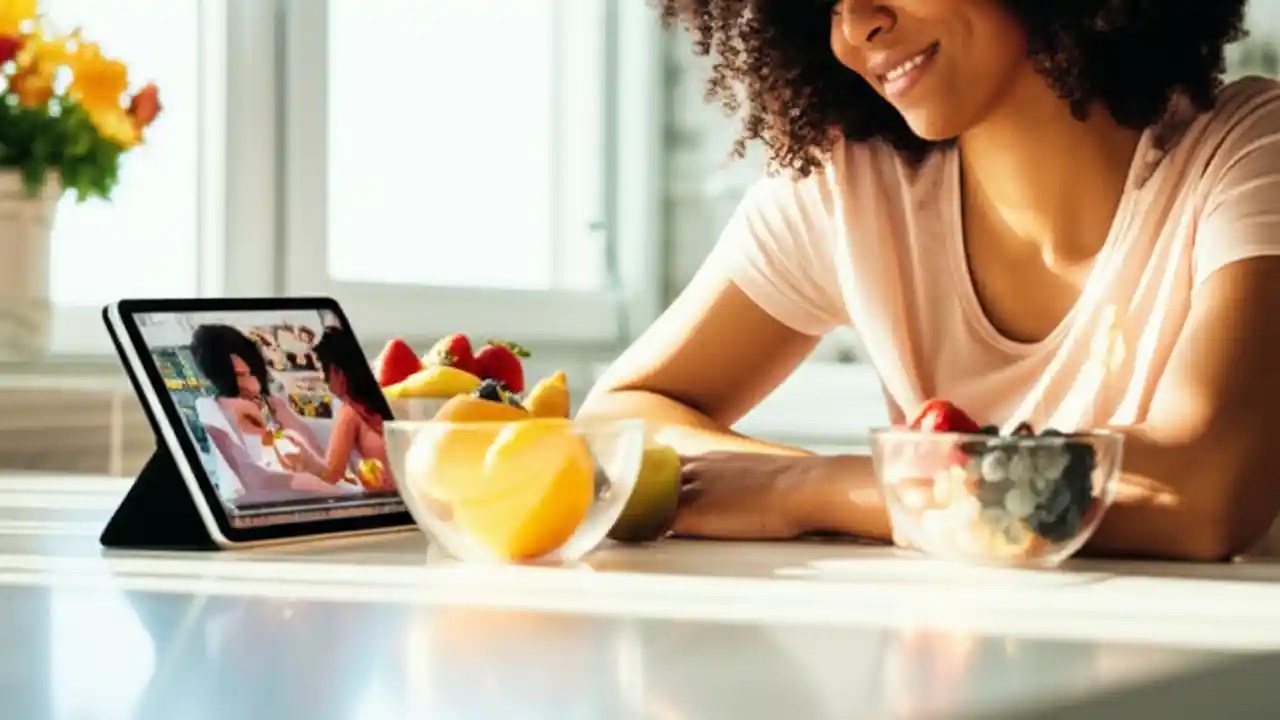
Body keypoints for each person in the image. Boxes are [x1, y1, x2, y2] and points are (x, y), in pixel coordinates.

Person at [580, 1, 1280, 561]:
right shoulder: (851, 187)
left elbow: (1203, 492)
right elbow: (622, 416)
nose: (856, 25)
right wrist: (876, 495)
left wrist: (815, 487)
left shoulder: (1251, 154)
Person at [189, 323, 350, 502]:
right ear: (220, 377)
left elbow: (317, 457)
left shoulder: (274, 405)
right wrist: (303, 482)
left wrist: (330, 482)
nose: (253, 385)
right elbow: (248, 475)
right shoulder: (214, 410)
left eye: (253, 373)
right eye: (239, 376)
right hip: (259, 497)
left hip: (306, 492)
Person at [312, 326, 396, 489]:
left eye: (323, 370)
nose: (322, 380)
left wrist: (303, 464)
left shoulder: (349, 412)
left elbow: (331, 474)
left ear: (338, 372)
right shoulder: (383, 399)